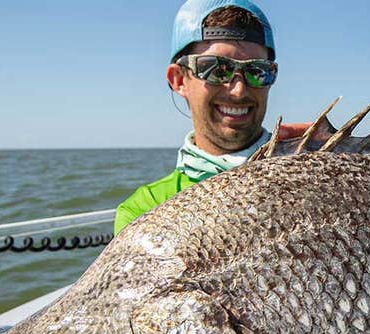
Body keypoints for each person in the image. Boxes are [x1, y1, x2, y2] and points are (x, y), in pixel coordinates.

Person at [113, 0, 307, 235]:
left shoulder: (312, 172)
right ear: (179, 80)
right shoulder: (143, 211)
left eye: (257, 71)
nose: (238, 90)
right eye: (216, 69)